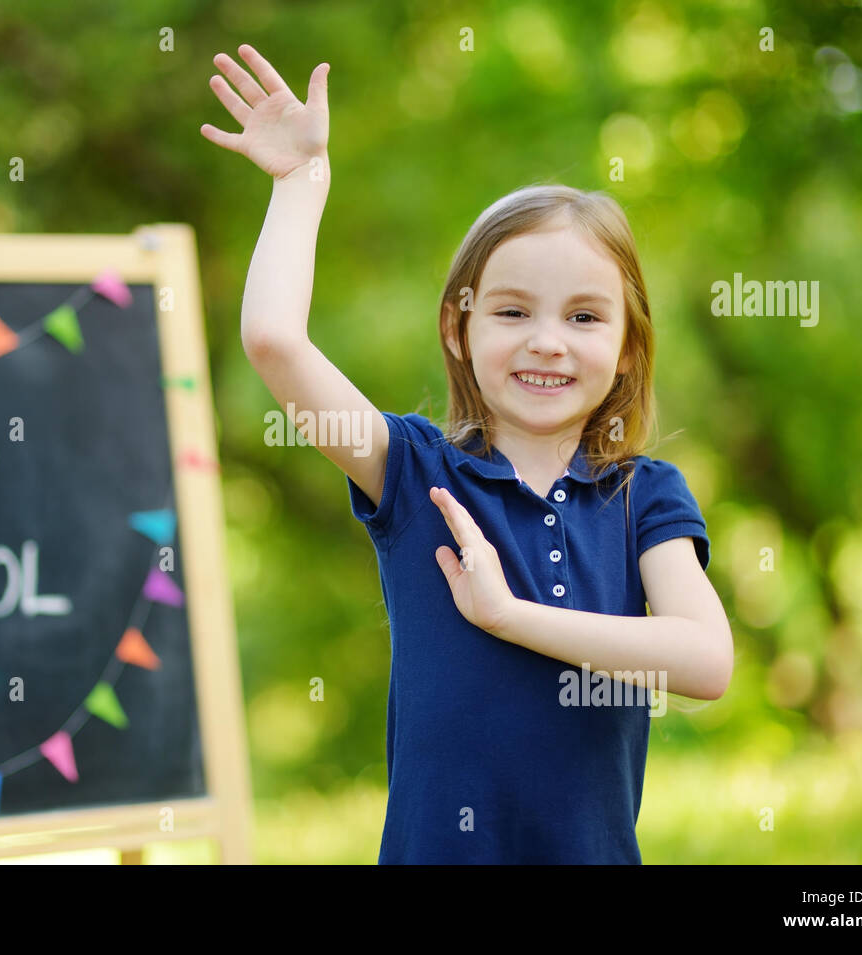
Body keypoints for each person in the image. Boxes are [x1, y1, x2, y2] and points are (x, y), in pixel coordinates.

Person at [202, 45, 734, 864]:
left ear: (629, 347)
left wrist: (510, 617)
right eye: (514, 311)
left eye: (586, 318)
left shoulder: (644, 496)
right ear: (461, 327)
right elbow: (274, 341)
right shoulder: (411, 471)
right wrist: (299, 185)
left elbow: (704, 659)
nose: (548, 342)